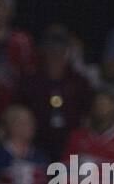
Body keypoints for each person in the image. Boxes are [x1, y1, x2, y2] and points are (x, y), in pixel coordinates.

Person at [16, 26, 92, 160]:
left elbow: (88, 115)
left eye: (60, 51)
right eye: (51, 50)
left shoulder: (79, 82)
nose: (55, 55)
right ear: (44, 52)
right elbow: (19, 111)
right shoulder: (30, 81)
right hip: (36, 144)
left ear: (66, 53)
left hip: (71, 145)